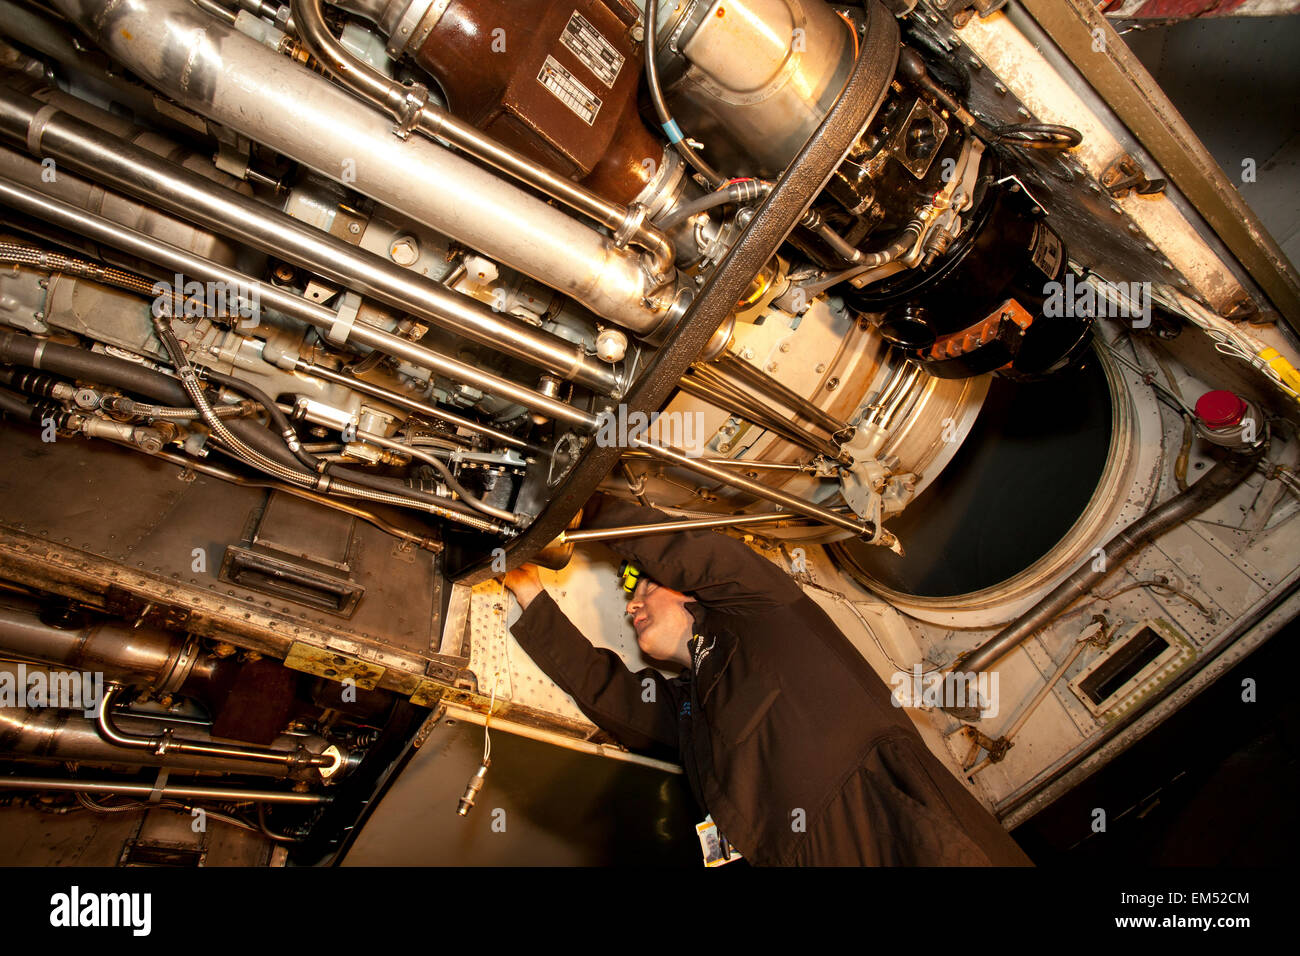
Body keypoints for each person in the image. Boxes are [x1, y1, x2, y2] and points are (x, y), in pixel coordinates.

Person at [502, 495, 1033, 866]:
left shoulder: (760, 613)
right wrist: (528, 591)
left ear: (689, 591)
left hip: (881, 835)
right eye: (628, 599)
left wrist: (583, 506)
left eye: (643, 588)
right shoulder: (690, 710)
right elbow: (607, 693)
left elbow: (696, 552)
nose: (633, 604)